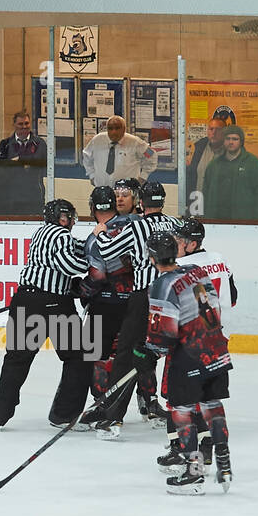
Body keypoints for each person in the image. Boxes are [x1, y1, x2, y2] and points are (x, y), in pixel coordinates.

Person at [83, 178, 180, 437]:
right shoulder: (174, 224)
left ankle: (112, 417)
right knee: (165, 352)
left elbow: (107, 250)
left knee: (127, 355)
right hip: (174, 294)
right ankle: (177, 410)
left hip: (144, 296)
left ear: (140, 201)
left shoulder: (136, 227)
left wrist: (99, 233)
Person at [142, 231, 233, 495]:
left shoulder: (162, 285)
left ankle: (193, 475)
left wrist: (147, 353)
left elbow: (165, 334)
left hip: (190, 355)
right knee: (211, 404)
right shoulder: (196, 270)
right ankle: (224, 464)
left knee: (181, 409)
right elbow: (213, 309)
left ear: (152, 258)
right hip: (216, 348)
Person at [0, 199, 92, 430]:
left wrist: (93, 241)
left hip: (24, 301)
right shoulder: (60, 235)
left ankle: (2, 412)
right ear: (62, 217)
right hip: (54, 304)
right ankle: (63, 415)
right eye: (69, 216)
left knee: (16, 359)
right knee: (81, 356)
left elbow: (76, 247)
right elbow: (70, 265)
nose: (72, 221)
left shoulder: (41, 233)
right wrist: (92, 266)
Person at [80, 185, 133, 409]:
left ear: (92, 207)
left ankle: (102, 403)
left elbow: (97, 277)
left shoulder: (95, 239)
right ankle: (122, 404)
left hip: (105, 305)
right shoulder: (135, 226)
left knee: (96, 355)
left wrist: (82, 290)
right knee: (125, 357)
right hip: (133, 303)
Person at [202, 125, 258, 220]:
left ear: (241, 141)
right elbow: (205, 193)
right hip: (217, 221)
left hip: (244, 221)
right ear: (223, 141)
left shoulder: (252, 163)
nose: (231, 142)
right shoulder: (214, 165)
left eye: (235, 139)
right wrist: (206, 218)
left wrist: (257, 221)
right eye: (227, 139)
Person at [80, 116, 156, 189]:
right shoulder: (97, 140)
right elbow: (86, 156)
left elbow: (152, 156)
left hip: (126, 191)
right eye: (110, 128)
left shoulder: (135, 142)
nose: (114, 132)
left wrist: (143, 177)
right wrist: (91, 175)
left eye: (117, 128)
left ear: (124, 129)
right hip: (102, 189)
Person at [187, 117, 227, 199]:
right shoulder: (199, 148)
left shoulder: (231, 152)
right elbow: (191, 176)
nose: (214, 132)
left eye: (218, 129)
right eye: (211, 129)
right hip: (198, 205)